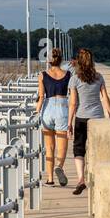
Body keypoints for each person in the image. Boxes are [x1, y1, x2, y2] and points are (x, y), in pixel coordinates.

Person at [67, 48, 110, 195]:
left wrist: (69, 123)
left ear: (78, 62)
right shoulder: (99, 77)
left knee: (79, 149)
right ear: (92, 61)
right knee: (96, 147)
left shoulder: (75, 79)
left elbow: (73, 103)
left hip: (81, 118)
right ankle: (97, 176)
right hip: (97, 118)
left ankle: (81, 179)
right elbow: (105, 97)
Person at [35, 47, 72, 186]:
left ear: (49, 61)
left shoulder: (43, 75)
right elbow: (72, 96)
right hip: (62, 108)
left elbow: (41, 97)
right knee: (62, 145)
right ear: (61, 60)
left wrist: (36, 112)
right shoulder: (68, 74)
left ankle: (50, 179)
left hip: (48, 109)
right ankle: (59, 166)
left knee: (49, 147)